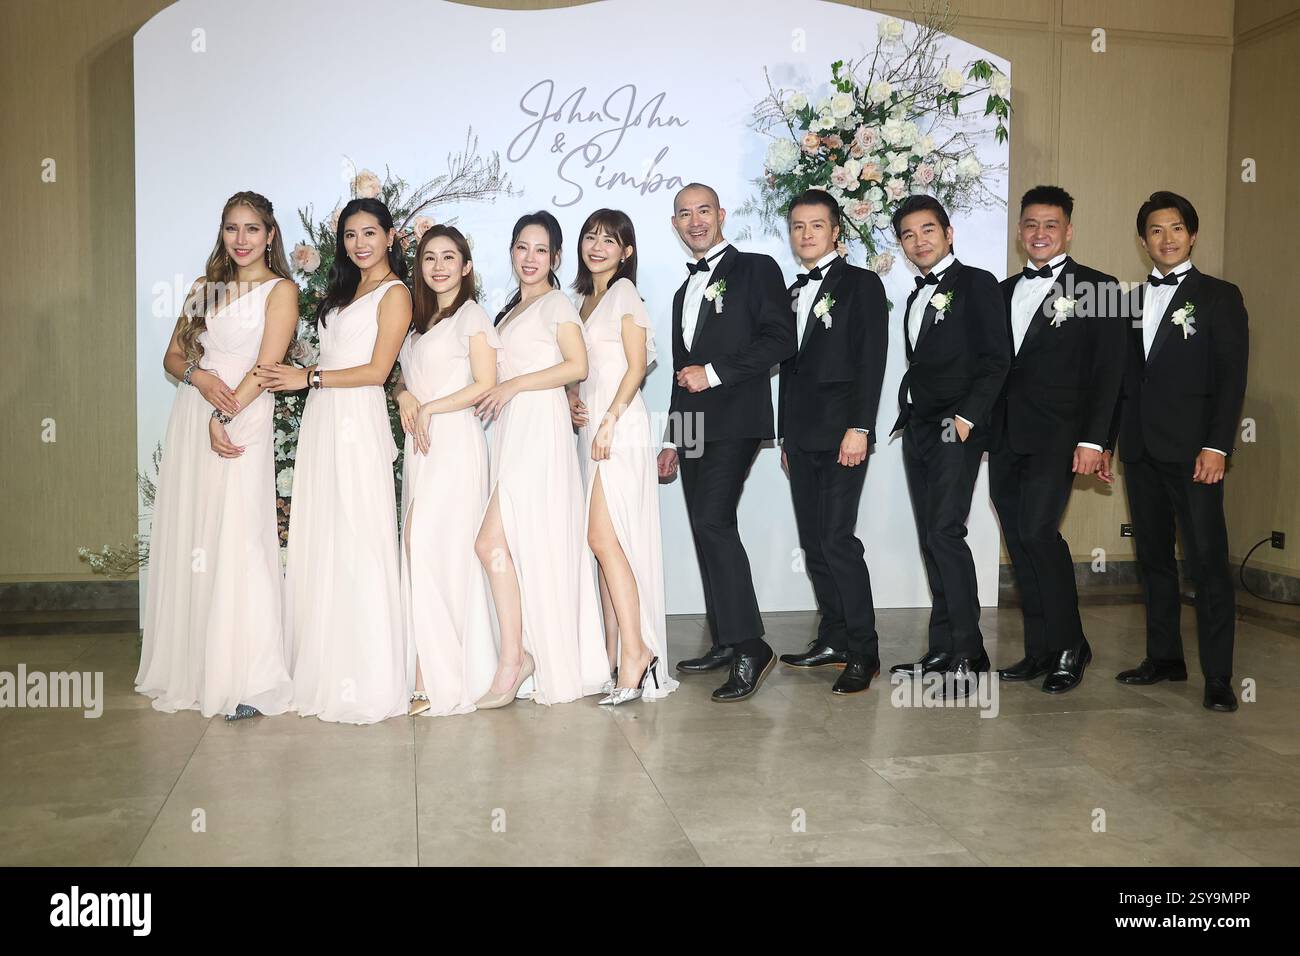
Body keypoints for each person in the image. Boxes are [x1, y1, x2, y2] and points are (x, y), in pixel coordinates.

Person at [137, 190, 297, 720]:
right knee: (198, 535)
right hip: (194, 413)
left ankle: (248, 673)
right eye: (232, 228)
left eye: (253, 229)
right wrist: (200, 379)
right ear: (222, 233)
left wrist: (224, 414)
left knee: (240, 536)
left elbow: (268, 365)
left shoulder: (281, 291)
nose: (242, 239)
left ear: (270, 235)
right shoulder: (206, 288)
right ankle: (195, 667)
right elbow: (173, 353)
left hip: (241, 415)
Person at [261, 198, 410, 724]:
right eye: (350, 234)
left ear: (390, 236)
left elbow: (376, 371)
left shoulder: (396, 295)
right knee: (322, 535)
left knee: (357, 534)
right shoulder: (343, 291)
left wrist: (310, 379)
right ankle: (318, 667)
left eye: (370, 232)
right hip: (323, 422)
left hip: (356, 420)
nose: (359, 243)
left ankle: (367, 674)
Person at [1102, 191, 1249, 713]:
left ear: (1192, 235)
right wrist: (1109, 443)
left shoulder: (1219, 296)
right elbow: (1124, 380)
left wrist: (1217, 446)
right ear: (1143, 241)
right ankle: (1164, 658)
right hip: (1140, 451)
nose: (1166, 238)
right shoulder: (1129, 299)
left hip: (1195, 454)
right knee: (1154, 559)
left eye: (1176, 228)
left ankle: (1218, 676)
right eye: (1156, 231)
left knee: (1208, 562)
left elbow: (1231, 379)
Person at [656, 183, 796, 703]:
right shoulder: (680, 291)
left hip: (736, 420)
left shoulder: (756, 268)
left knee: (713, 521)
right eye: (684, 214)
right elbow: (678, 374)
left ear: (721, 215)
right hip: (693, 427)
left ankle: (751, 646)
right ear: (675, 225)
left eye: (704, 211)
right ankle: (725, 637)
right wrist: (673, 437)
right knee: (704, 526)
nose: (695, 221)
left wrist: (714, 374)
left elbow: (782, 339)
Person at [990, 185, 1124, 694]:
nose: (1039, 233)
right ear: (1020, 231)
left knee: (1040, 532)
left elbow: (1110, 375)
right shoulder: (1002, 291)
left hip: (1060, 437)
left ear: (1068, 230)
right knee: (1018, 537)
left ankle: (1071, 644)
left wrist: (1096, 441)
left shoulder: (1100, 287)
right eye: (1030, 224)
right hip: (1005, 436)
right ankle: (1040, 648)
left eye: (1050, 225)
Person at [472, 211, 609, 707]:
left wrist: (513, 384)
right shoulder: (506, 311)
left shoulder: (556, 305)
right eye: (521, 248)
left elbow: (578, 365)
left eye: (541, 250)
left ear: (555, 257)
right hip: (512, 432)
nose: (530, 259)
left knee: (491, 542)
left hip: (539, 432)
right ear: (511, 252)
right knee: (502, 547)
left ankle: (516, 661)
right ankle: (518, 654)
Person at [888, 195, 1009, 695]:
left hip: (952, 426)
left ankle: (969, 653)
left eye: (928, 230)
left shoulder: (976, 283)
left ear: (949, 232)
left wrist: (965, 418)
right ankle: (942, 648)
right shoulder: (916, 295)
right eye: (909, 235)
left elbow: (997, 357)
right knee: (931, 537)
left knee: (945, 532)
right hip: (917, 426)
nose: (919, 241)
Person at [775, 189, 888, 695]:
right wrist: (783, 434)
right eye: (798, 226)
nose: (806, 235)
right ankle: (834, 637)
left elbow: (872, 360)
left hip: (844, 434)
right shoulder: (791, 289)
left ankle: (864, 651)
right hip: (800, 436)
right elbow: (789, 372)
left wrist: (859, 428)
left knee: (839, 542)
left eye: (815, 226)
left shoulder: (861, 284)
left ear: (836, 231)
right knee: (815, 543)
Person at [568, 209, 678, 705]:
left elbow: (635, 369)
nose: (597, 246)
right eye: (590, 237)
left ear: (626, 251)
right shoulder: (582, 301)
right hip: (592, 425)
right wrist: (573, 396)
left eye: (609, 240)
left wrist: (608, 421)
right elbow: (585, 369)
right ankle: (619, 655)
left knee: (606, 540)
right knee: (605, 545)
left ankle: (636, 654)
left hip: (619, 427)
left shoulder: (625, 295)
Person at [392, 225, 499, 716]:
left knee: (433, 549)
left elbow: (485, 382)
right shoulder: (418, 323)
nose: (438, 266)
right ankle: (429, 669)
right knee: (423, 553)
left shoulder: (472, 316)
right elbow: (401, 378)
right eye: (430, 258)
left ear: (466, 266)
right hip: (423, 449)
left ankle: (437, 676)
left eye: (449, 257)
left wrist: (431, 406)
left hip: (454, 443)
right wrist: (405, 394)